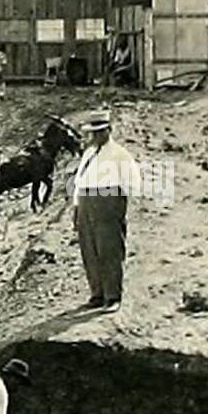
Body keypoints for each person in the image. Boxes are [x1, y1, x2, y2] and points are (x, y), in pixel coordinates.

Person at [72, 108, 140, 313]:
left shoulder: (119, 154)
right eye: (94, 132)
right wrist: (77, 206)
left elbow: (133, 181)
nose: (97, 136)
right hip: (86, 201)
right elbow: (79, 182)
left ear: (109, 130)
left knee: (109, 248)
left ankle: (113, 296)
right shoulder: (89, 153)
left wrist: (116, 203)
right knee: (89, 250)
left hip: (107, 202)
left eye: (101, 131)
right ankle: (97, 293)